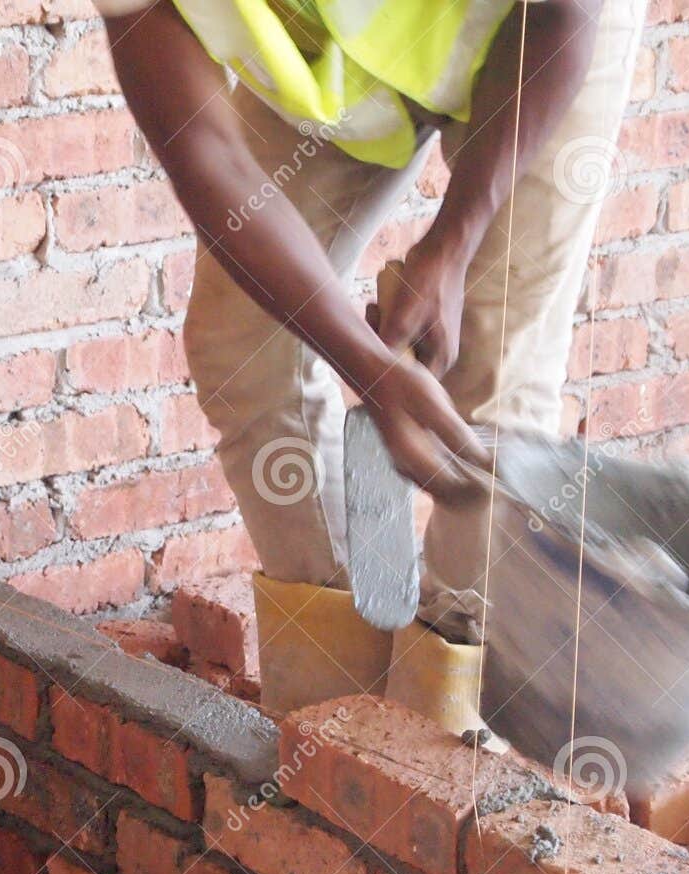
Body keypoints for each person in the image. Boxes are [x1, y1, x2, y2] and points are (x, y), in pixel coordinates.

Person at [96, 0, 648, 724]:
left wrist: (453, 245)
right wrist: (369, 367)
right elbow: (206, 152)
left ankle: (445, 754)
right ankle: (338, 731)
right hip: (341, 63)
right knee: (244, 345)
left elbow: (561, 17)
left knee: (491, 386)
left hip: (535, 40)